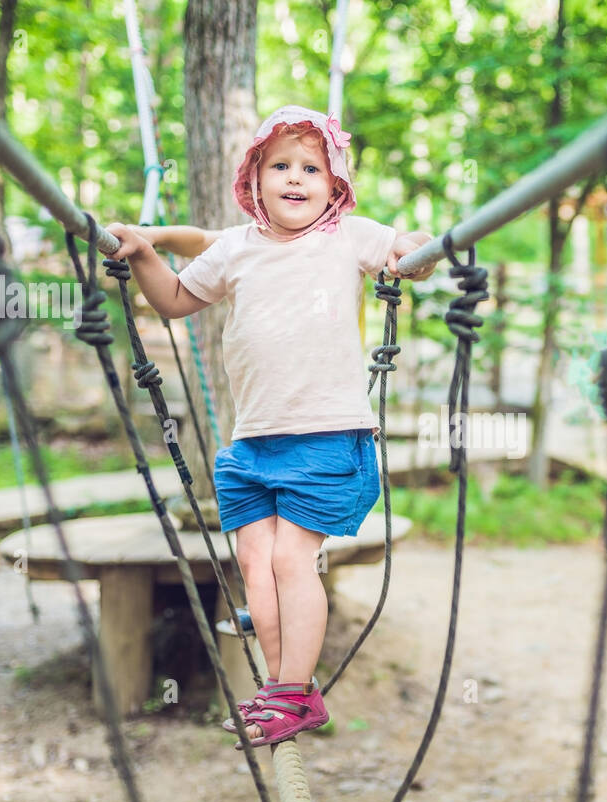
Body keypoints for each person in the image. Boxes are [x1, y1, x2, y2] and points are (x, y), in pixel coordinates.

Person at [107, 105, 435, 748]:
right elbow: (172, 300)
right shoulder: (233, 248)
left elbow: (408, 255)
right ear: (252, 180)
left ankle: (292, 691)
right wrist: (144, 252)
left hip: (326, 434)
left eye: (311, 168)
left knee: (291, 559)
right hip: (251, 443)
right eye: (279, 165)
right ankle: (286, 692)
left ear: (334, 185)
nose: (295, 177)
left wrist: (415, 258)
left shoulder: (348, 236)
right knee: (254, 566)